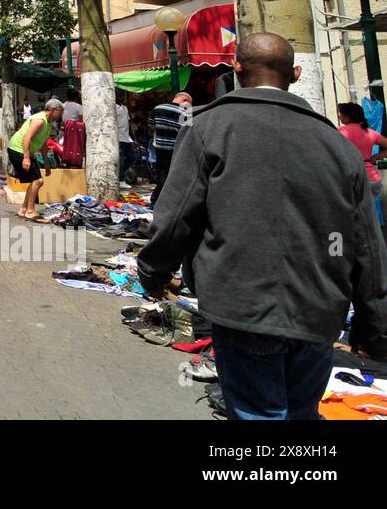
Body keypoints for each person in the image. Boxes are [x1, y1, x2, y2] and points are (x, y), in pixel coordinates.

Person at [138, 33, 387, 420]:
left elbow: (176, 215)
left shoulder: (209, 128)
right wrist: (373, 327)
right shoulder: (337, 145)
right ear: (296, 73)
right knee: (300, 413)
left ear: (236, 67)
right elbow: (367, 246)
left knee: (259, 413)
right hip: (319, 309)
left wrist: (153, 272)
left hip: (242, 304)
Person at [7, 98, 65, 221]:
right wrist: (26, 158)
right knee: (38, 181)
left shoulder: (48, 122)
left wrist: (46, 163)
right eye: (60, 112)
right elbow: (27, 138)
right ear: (53, 110)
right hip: (18, 150)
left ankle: (24, 209)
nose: (61, 115)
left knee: (35, 181)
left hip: (25, 151)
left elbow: (44, 143)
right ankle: (30, 211)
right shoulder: (39, 120)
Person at [337, 102, 386, 236]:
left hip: (351, 179)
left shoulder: (340, 132)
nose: (340, 116)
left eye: (341, 113)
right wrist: (376, 157)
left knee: (351, 217)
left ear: (347, 117)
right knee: (367, 214)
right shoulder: (370, 132)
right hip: (373, 180)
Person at [149, 91, 193, 206]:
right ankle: (163, 200)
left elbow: (151, 125)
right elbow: (187, 133)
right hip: (175, 150)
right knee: (173, 176)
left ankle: (155, 199)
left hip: (159, 147)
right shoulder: (185, 112)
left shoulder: (158, 108)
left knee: (161, 175)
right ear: (184, 101)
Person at [115, 93, 136, 185]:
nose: (121, 98)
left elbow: (128, 123)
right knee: (121, 158)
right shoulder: (113, 108)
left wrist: (134, 137)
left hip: (127, 137)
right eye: (119, 96)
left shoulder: (125, 108)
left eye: (122, 96)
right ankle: (121, 177)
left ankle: (125, 173)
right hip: (118, 137)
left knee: (132, 156)